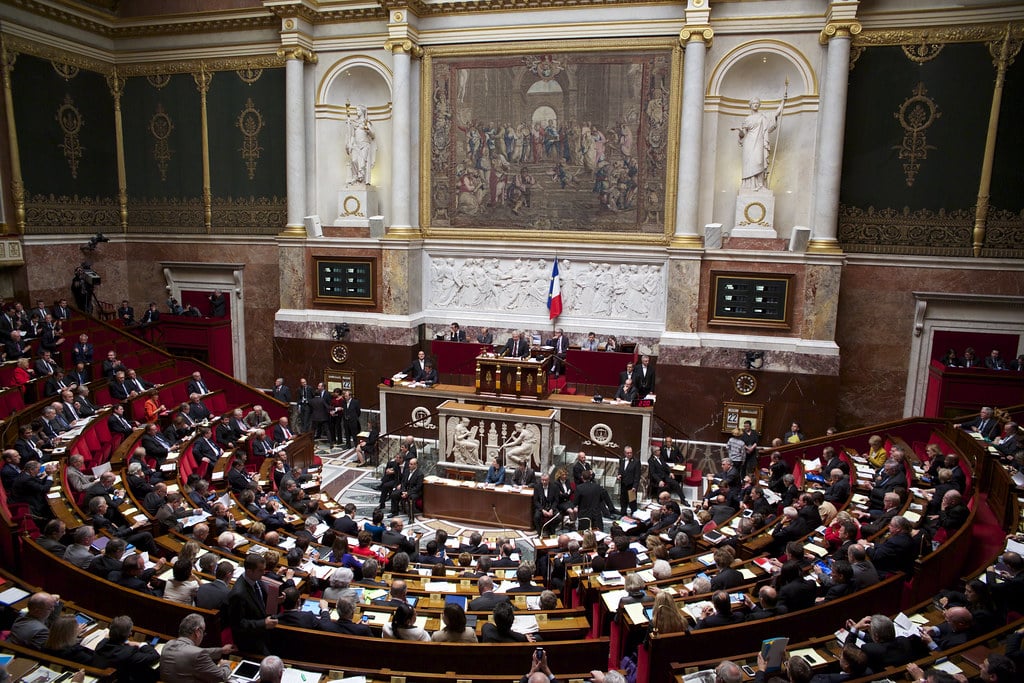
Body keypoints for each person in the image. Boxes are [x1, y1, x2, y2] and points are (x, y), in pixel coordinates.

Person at [159, 613, 236, 682]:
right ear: (198, 632)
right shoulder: (197, 654)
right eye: (204, 632)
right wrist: (225, 665)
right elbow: (221, 676)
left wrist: (221, 650)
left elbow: (197, 652)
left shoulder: (168, 645)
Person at [226, 553, 277, 654]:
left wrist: (275, 600)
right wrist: (263, 624)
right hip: (251, 640)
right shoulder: (238, 594)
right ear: (249, 571)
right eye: (260, 571)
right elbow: (237, 624)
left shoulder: (255, 579)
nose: (263, 573)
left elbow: (260, 600)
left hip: (264, 632)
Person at [735, 95, 784, 191]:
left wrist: (783, 101)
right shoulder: (747, 119)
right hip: (749, 144)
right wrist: (740, 132)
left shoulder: (763, 117)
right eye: (754, 103)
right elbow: (743, 135)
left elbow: (776, 113)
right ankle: (749, 185)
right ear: (750, 105)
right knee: (749, 164)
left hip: (759, 142)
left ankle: (760, 185)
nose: (755, 105)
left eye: (757, 103)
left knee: (759, 161)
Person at [95, 614, 161, 683]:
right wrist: (140, 644)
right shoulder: (128, 653)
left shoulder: (101, 645)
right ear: (129, 634)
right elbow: (155, 656)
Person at [345, 104, 376, 185]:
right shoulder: (355, 123)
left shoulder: (366, 122)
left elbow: (373, 135)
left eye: (358, 110)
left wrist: (368, 130)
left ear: (362, 112)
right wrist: (350, 144)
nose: (356, 112)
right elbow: (352, 135)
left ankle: (361, 178)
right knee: (354, 160)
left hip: (365, 145)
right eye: (356, 110)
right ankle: (355, 176)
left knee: (362, 162)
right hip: (356, 145)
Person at [618, 446, 639, 515]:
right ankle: (623, 515)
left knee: (632, 502)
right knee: (623, 502)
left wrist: (635, 486)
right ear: (624, 453)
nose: (629, 454)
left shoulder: (636, 462)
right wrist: (619, 475)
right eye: (628, 453)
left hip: (631, 486)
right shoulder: (622, 460)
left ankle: (634, 516)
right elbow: (620, 470)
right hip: (623, 485)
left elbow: (637, 475)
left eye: (631, 453)